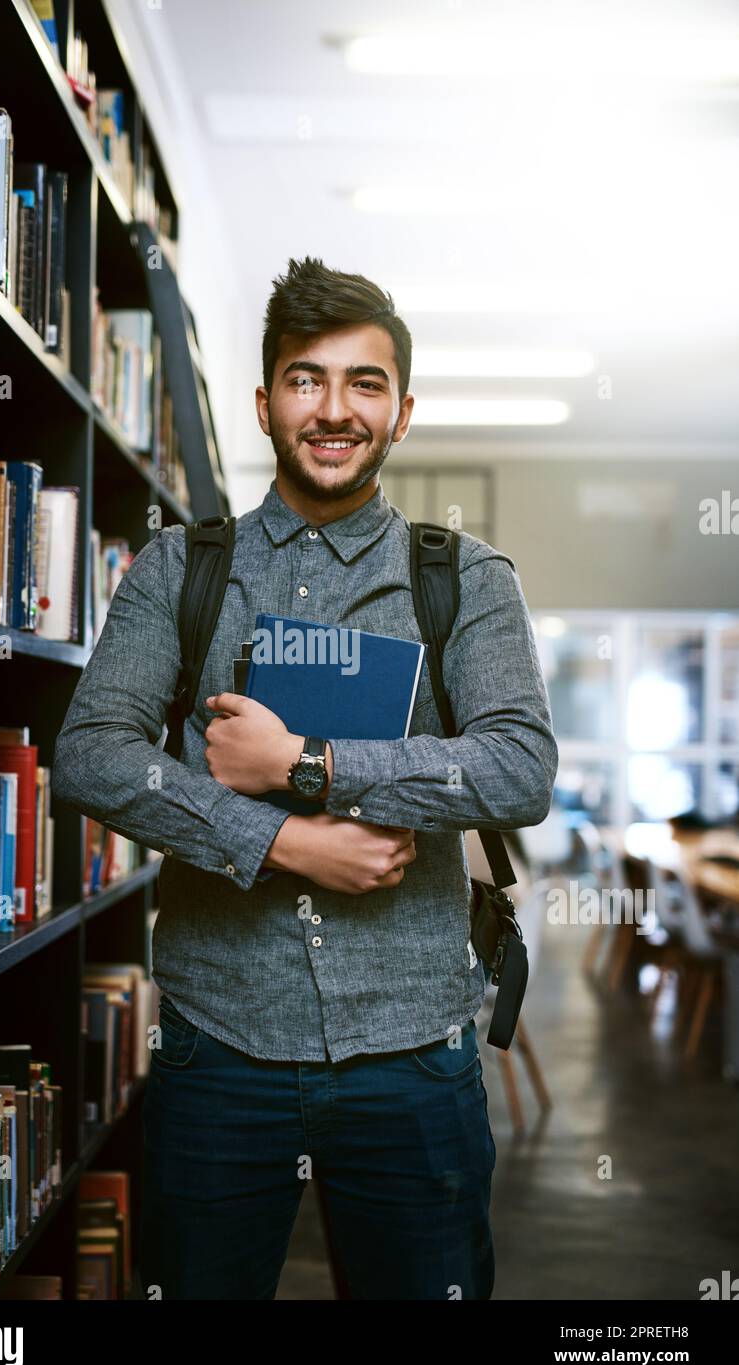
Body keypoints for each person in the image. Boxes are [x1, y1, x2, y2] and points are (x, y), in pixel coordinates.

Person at [51, 255, 559, 1300]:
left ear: (402, 410)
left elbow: (520, 769)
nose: (335, 410)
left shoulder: (464, 580)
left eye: (363, 383)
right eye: (306, 379)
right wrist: (283, 840)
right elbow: (92, 753)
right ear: (265, 403)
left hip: (415, 1056)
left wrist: (306, 767)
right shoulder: (178, 572)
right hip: (218, 1053)